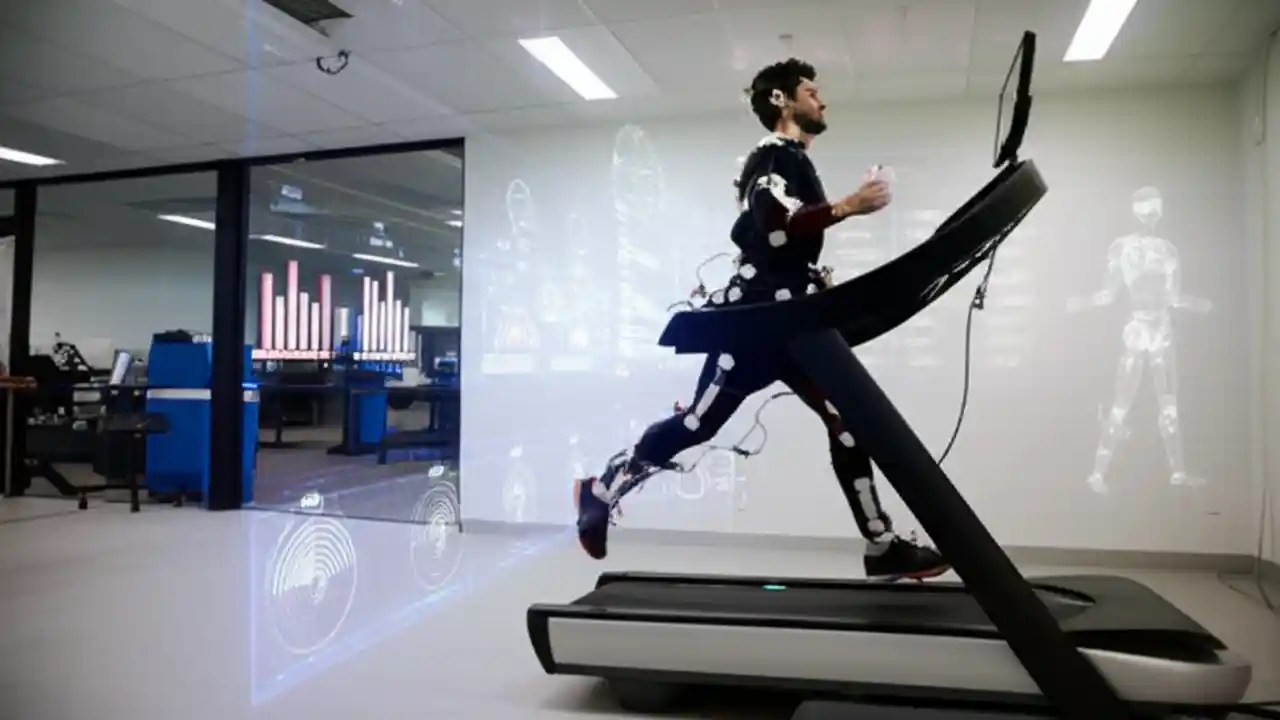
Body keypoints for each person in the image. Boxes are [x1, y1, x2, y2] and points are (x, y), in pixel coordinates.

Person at [574, 59, 949, 581]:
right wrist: (849, 206)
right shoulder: (772, 156)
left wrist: (817, 280)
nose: (822, 101)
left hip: (794, 325)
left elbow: (785, 247)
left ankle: (881, 545)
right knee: (697, 424)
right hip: (754, 326)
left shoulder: (796, 162)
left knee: (849, 422)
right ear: (782, 101)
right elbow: (774, 231)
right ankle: (603, 486)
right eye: (811, 92)